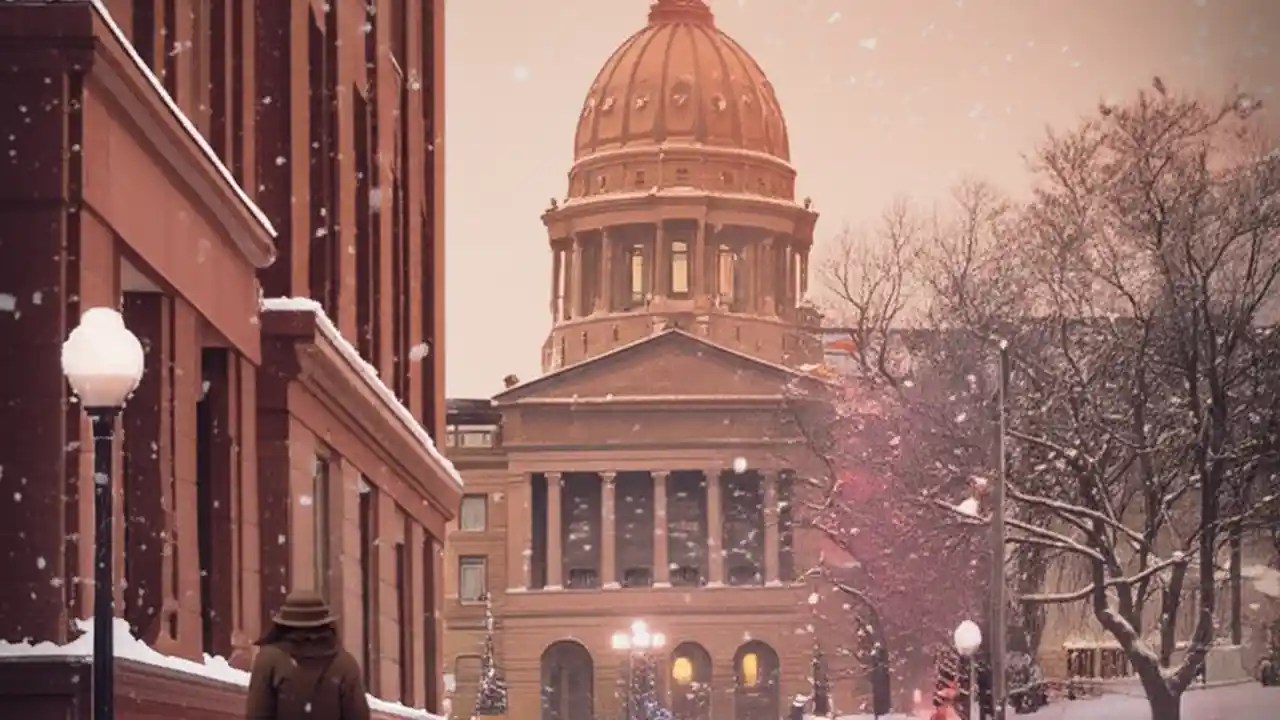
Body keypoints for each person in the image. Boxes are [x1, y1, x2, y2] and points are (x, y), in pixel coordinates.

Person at [246, 589, 371, 720]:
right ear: (326, 624)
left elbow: (257, 714)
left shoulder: (269, 660)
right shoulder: (345, 664)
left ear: (284, 624)